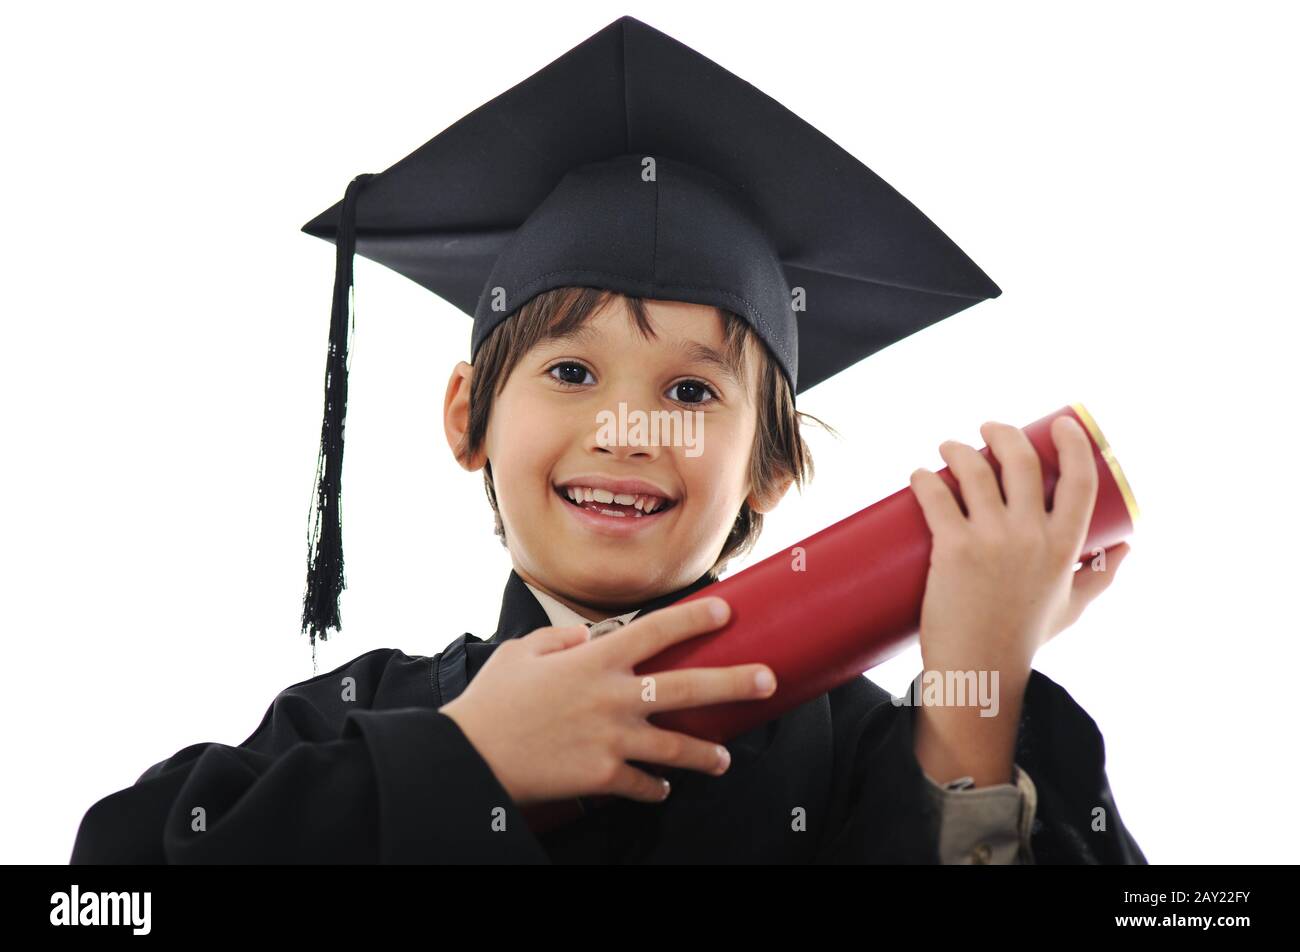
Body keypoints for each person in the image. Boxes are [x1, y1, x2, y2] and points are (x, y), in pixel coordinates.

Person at [69, 16, 1146, 864]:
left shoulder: (862, 752)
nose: (624, 431)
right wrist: (462, 761)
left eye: (690, 389)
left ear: (770, 468)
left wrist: (973, 701)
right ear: (466, 418)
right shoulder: (360, 721)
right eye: (570, 371)